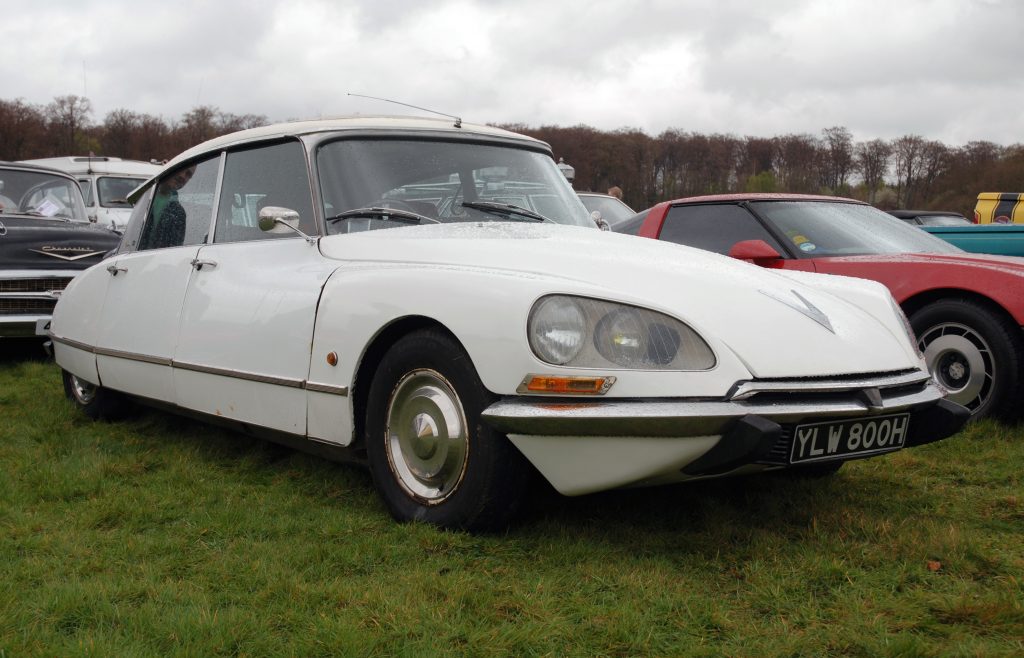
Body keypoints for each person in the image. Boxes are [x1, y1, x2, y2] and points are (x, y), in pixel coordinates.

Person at [138, 165, 194, 249]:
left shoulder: (178, 213)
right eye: (181, 168)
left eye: (188, 174)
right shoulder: (141, 196)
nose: (182, 176)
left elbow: (173, 250)